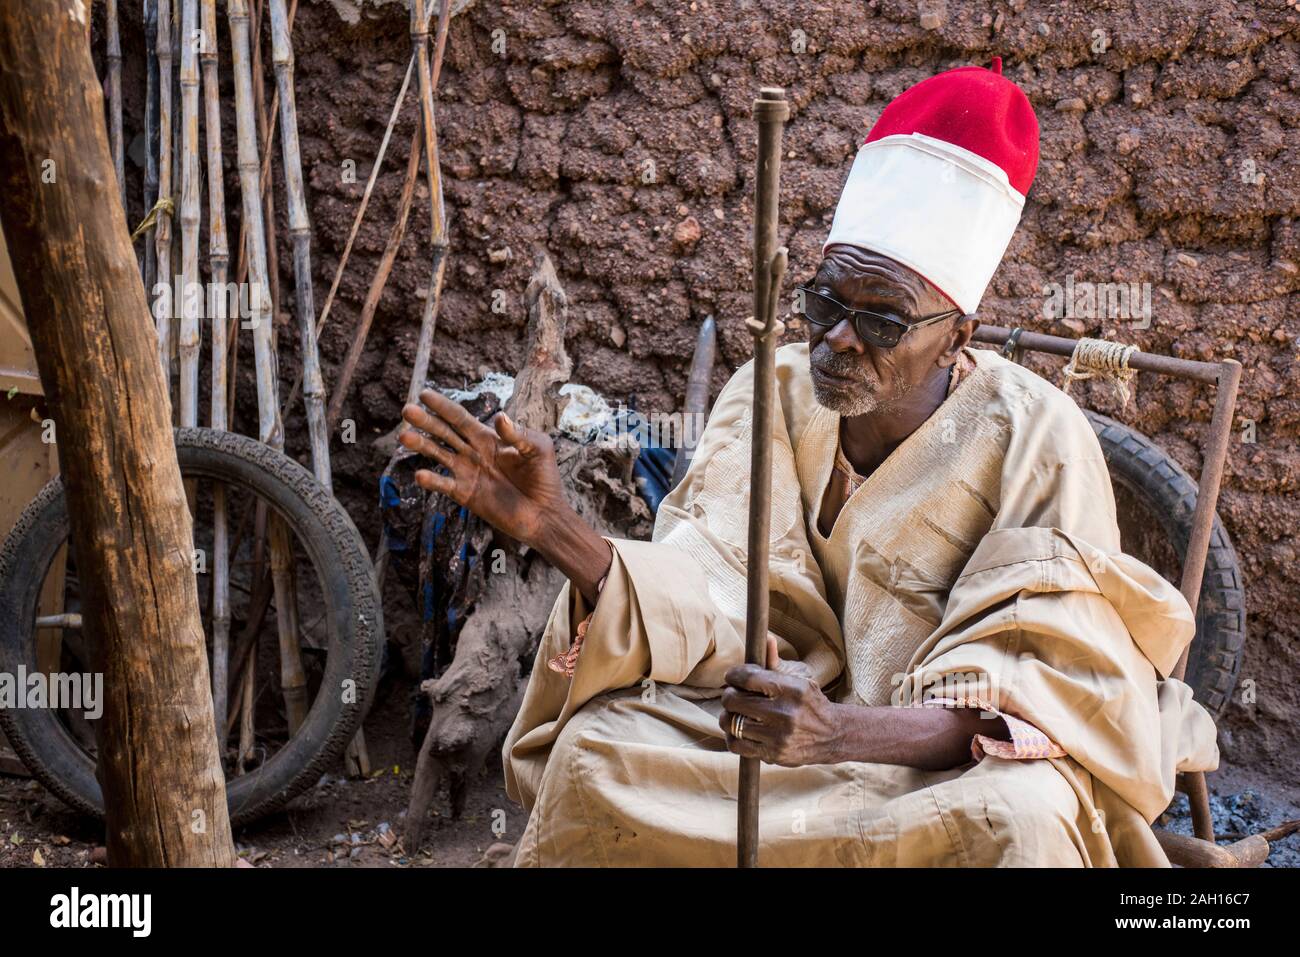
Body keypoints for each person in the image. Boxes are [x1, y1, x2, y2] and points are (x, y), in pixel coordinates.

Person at [397, 60, 1218, 866]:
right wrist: (554, 528)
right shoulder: (770, 390)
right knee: (595, 753)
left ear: (958, 334)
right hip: (764, 744)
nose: (836, 338)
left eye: (882, 319)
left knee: (1026, 818)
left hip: (929, 768)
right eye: (825, 301)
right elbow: (707, 585)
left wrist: (837, 732)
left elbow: (1045, 689)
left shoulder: (1038, 434)